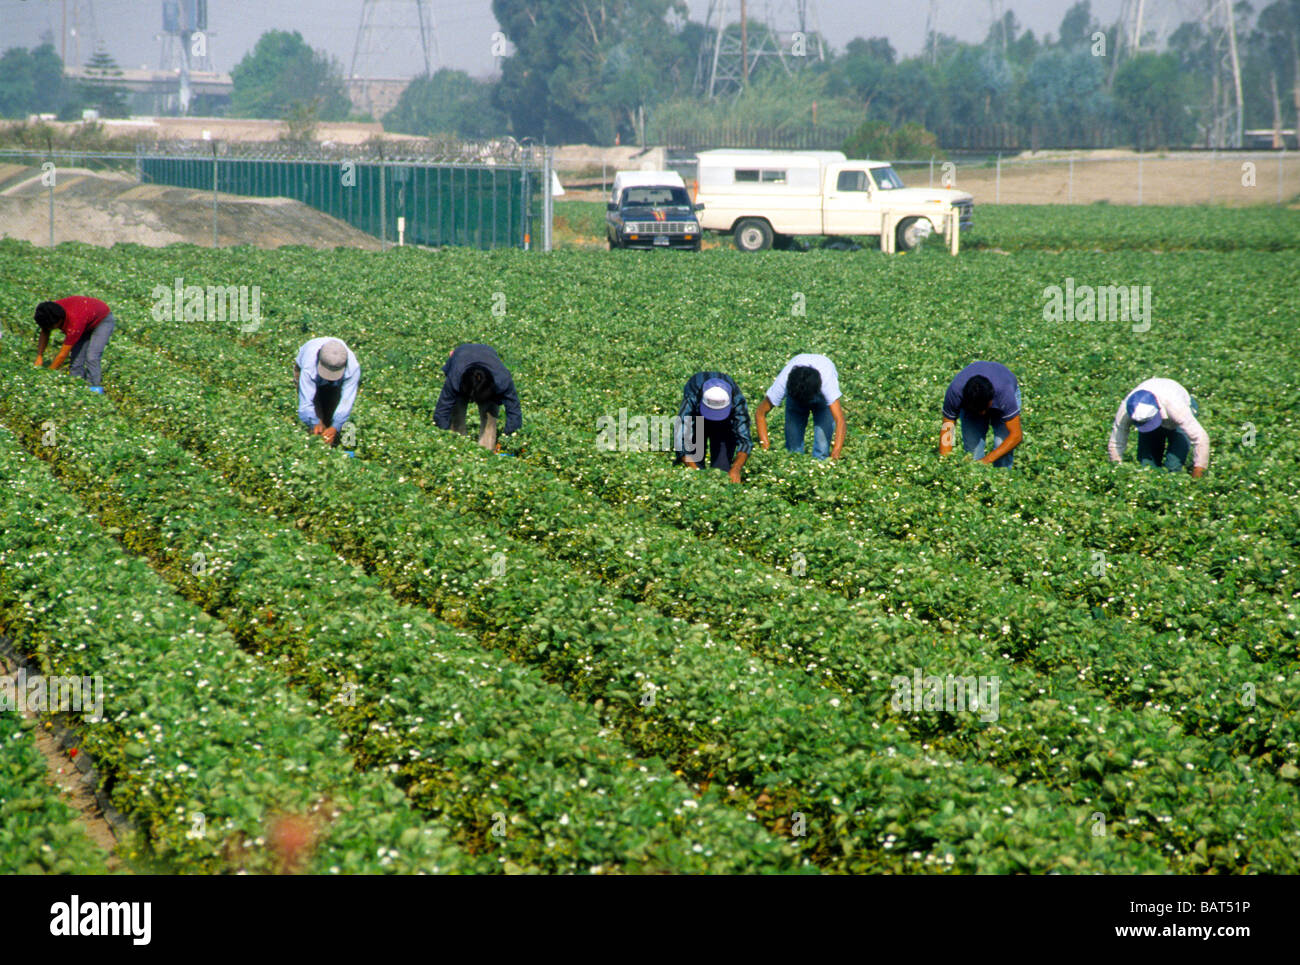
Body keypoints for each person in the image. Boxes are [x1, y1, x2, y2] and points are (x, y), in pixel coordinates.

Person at [1108, 378, 1208, 478]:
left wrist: (1198, 472)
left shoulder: (1176, 407)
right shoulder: (1126, 409)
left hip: (1179, 408)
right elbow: (1116, 442)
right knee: (1147, 467)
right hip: (1160, 409)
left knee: (1173, 465)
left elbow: (1201, 438)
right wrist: (1117, 470)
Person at [754, 353, 845, 460]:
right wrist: (766, 448)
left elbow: (840, 421)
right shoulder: (783, 383)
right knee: (793, 451)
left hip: (820, 397)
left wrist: (836, 452)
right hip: (795, 397)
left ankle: (820, 463)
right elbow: (760, 413)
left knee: (822, 447)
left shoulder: (827, 384)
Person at [433, 343, 522, 451]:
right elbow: (442, 410)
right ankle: (457, 447)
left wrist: (508, 438)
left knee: (490, 414)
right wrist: (444, 436)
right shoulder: (455, 378)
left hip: (487, 365)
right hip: (462, 359)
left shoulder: (502, 380)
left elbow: (514, 411)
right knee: (456, 412)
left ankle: (486, 452)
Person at [940, 361, 1023, 467]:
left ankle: (1002, 479)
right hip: (972, 407)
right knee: (972, 450)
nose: (983, 413)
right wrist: (945, 463)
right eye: (978, 409)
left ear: (991, 400)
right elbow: (948, 428)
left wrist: (986, 460)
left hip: (1002, 396)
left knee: (1002, 445)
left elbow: (1016, 436)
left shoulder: (1004, 393)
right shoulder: (955, 393)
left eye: (984, 408)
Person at [673, 371, 752, 483]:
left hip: (724, 423)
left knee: (722, 471)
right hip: (699, 419)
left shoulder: (736, 401)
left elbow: (745, 440)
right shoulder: (693, 396)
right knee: (695, 462)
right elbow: (680, 435)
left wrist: (736, 469)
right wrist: (694, 470)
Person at [33, 297, 116, 391]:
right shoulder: (49, 311)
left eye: (52, 326)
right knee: (76, 359)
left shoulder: (74, 322)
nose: (51, 328)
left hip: (102, 320)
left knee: (92, 356)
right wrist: (39, 356)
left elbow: (62, 355)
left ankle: (94, 390)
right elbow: (45, 331)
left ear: (59, 321)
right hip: (86, 318)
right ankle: (75, 388)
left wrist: (48, 375)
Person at [295, 337, 360, 447]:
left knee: (332, 408)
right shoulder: (308, 365)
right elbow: (306, 403)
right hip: (308, 370)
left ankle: (332, 442)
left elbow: (346, 402)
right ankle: (313, 446)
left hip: (337, 384)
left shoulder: (352, 369)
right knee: (315, 416)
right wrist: (314, 423)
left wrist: (335, 426)